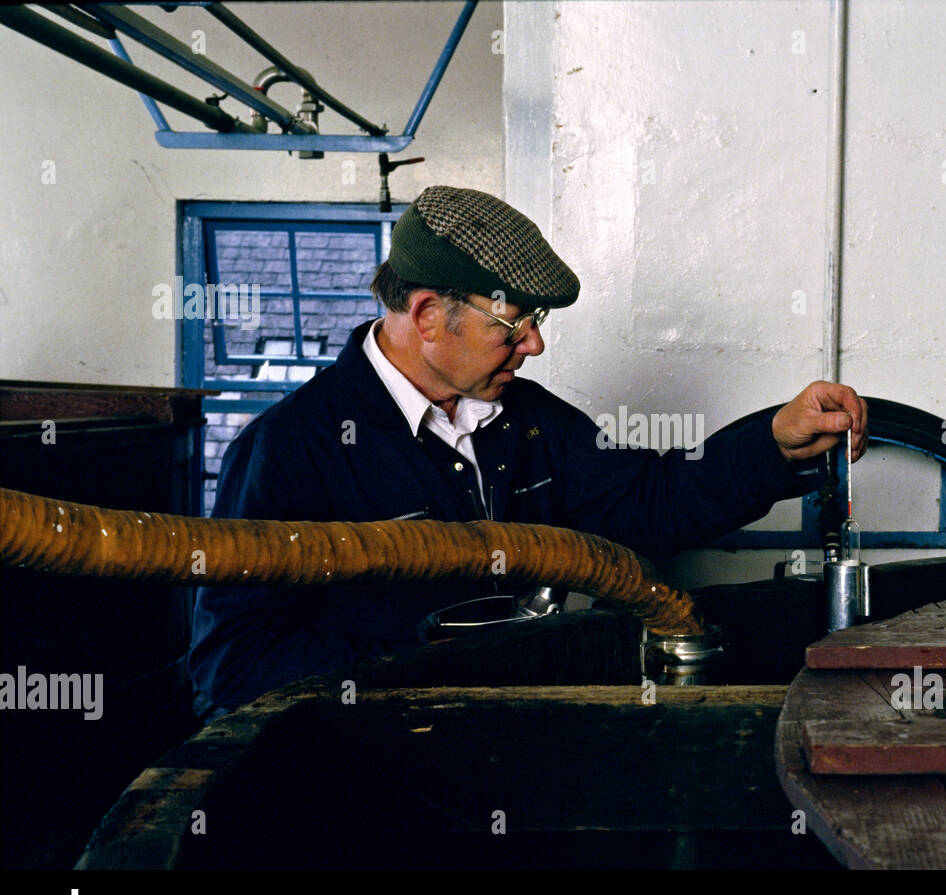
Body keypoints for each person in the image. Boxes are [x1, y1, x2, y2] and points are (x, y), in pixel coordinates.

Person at [188, 185, 866, 718]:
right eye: (514, 324)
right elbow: (232, 661)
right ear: (427, 315)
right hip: (377, 780)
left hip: (513, 741)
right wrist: (416, 663)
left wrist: (773, 440)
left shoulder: (529, 418)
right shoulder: (291, 447)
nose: (535, 346)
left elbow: (649, 502)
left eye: (536, 324)